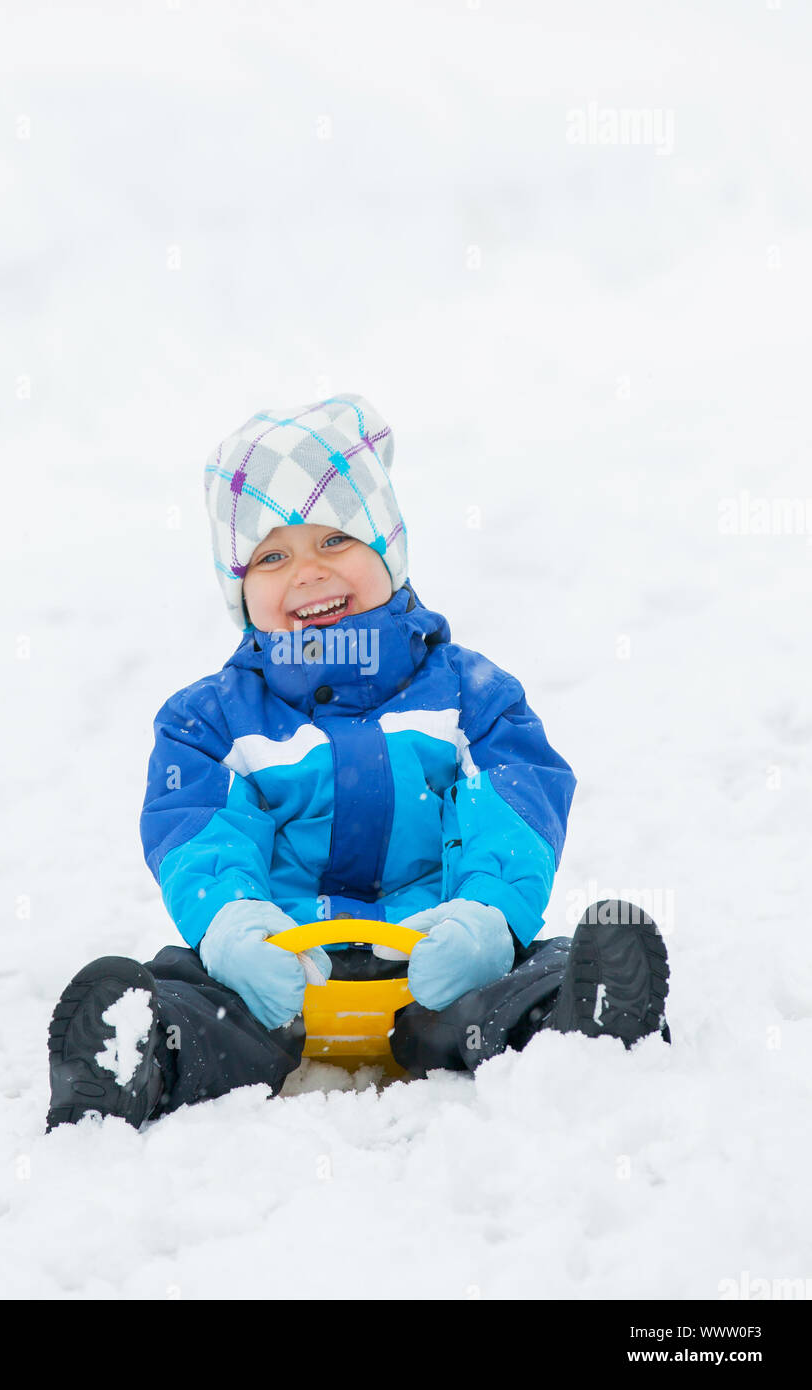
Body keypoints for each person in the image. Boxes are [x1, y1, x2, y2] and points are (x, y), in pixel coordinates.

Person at [46, 394, 670, 1132]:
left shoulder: (472, 698)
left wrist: (487, 916)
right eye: (272, 556)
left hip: (439, 962)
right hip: (277, 975)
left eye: (335, 542)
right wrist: (233, 922)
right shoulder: (208, 722)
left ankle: (583, 1019)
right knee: (185, 991)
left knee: (527, 975)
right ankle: (134, 1061)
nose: (307, 573)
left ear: (388, 553)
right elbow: (200, 830)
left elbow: (515, 798)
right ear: (240, 588)